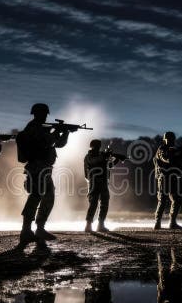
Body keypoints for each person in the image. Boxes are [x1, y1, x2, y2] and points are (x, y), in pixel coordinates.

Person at [16, 103, 70, 245]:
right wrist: (56, 131)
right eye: (43, 113)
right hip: (36, 167)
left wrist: (65, 132)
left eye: (45, 114)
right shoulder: (33, 127)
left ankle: (40, 228)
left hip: (45, 168)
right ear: (36, 113)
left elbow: (58, 144)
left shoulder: (43, 128)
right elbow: (46, 142)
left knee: (49, 197)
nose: (45, 116)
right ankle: (26, 230)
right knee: (35, 196)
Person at [154, 132, 182, 230]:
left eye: (173, 139)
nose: (172, 141)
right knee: (162, 200)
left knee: (177, 200)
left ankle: (172, 222)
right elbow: (167, 159)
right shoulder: (162, 149)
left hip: (172, 178)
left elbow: (179, 163)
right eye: (170, 139)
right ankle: (157, 223)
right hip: (164, 178)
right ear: (165, 140)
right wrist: (176, 153)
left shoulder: (172, 150)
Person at [83, 139, 123, 232]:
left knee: (104, 203)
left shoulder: (102, 155)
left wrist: (117, 158)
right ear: (92, 146)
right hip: (94, 182)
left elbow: (109, 165)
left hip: (103, 182)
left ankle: (100, 225)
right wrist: (105, 156)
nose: (98, 148)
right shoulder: (89, 156)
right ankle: (88, 225)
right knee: (93, 203)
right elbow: (94, 161)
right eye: (97, 146)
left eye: (99, 146)